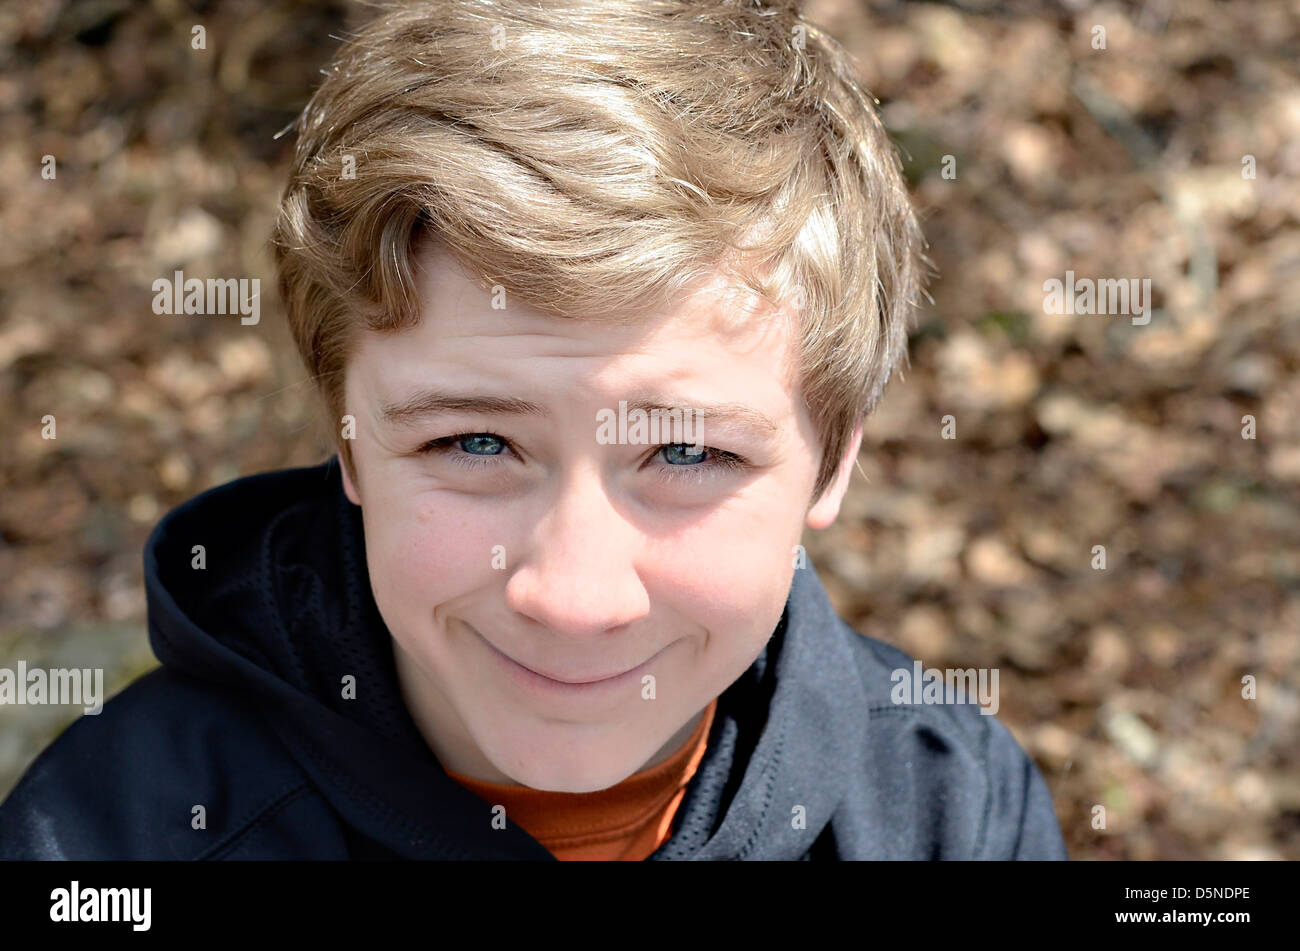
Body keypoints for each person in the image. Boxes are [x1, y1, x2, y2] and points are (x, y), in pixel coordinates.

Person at [0, 0, 1067, 860]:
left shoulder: (950, 810)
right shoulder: (109, 838)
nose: (572, 596)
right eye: (474, 444)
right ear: (348, 439)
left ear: (833, 456)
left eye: (687, 453)